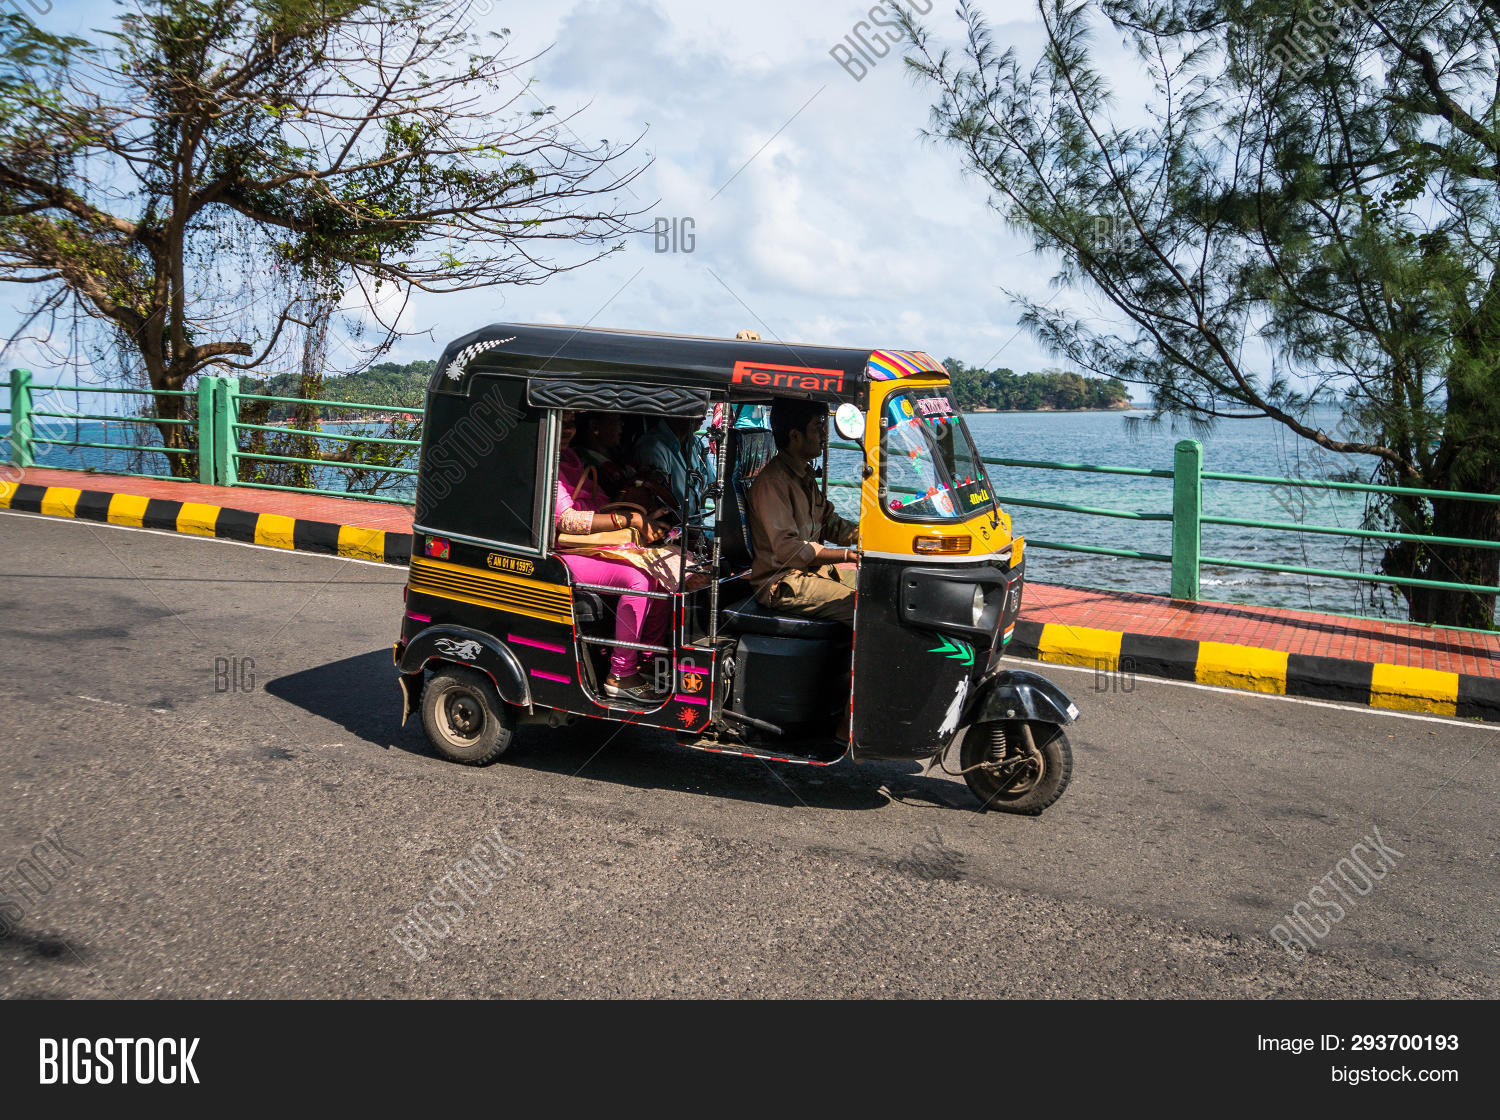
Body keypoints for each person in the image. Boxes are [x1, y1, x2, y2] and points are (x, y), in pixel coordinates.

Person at [554, 410, 672, 702]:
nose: (568, 431)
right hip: (561, 551)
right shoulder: (546, 462)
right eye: (562, 424)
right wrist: (628, 520)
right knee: (637, 578)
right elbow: (568, 522)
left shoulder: (570, 459)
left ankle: (646, 661)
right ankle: (620, 674)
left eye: (571, 425)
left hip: (589, 544)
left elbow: (600, 504)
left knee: (661, 570)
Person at [745, 398, 860, 624]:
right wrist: (846, 555)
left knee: (877, 587)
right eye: (818, 428)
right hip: (783, 582)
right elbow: (788, 549)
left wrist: (870, 536)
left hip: (813, 573)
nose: (825, 436)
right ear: (795, 436)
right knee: (860, 605)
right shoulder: (773, 483)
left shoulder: (804, 476)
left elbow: (830, 523)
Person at [632, 414, 711, 515]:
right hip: (672, 526)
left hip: (696, 521)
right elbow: (660, 500)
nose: (703, 417)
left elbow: (711, 480)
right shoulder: (651, 448)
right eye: (696, 410)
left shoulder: (695, 442)